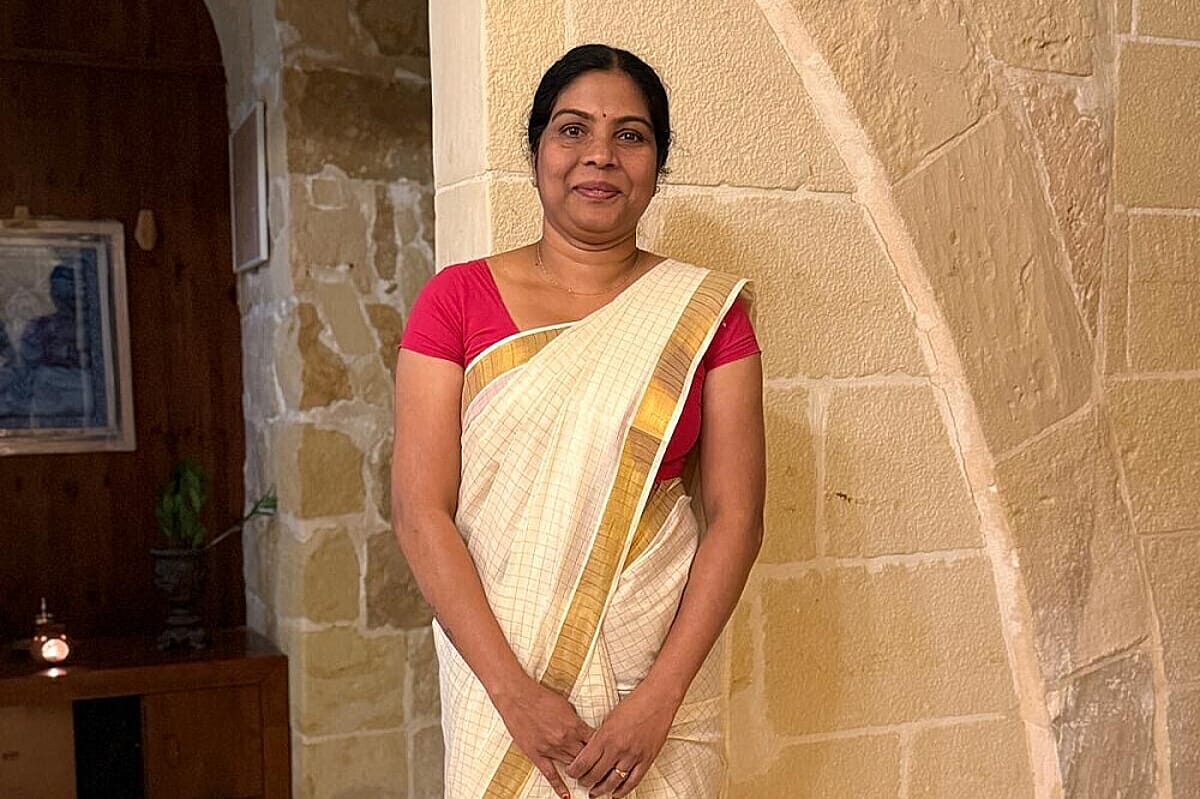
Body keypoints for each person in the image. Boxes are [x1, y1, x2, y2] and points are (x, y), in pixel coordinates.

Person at [391, 43, 765, 799]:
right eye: (573, 130)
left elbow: (737, 516)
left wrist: (656, 701)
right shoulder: (455, 302)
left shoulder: (707, 314)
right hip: (501, 683)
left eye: (630, 134)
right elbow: (418, 510)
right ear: (536, 153)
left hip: (654, 681)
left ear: (657, 164)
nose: (600, 155)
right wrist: (514, 695)